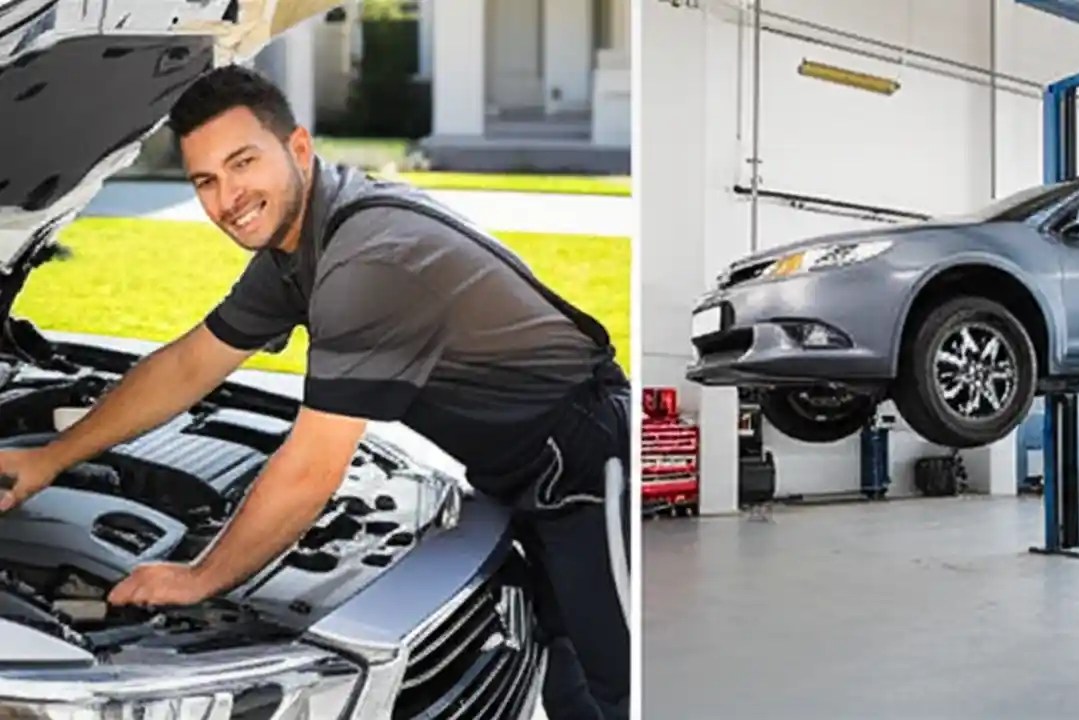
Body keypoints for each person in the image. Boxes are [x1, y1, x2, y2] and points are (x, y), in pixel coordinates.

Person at [0, 65, 630, 718]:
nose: (227, 198)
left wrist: (201, 578)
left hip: (587, 465)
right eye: (205, 182)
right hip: (523, 467)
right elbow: (189, 365)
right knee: (568, 677)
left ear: (298, 148)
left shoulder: (368, 263)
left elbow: (310, 469)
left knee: (626, 685)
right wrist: (48, 458)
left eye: (242, 163)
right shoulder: (298, 247)